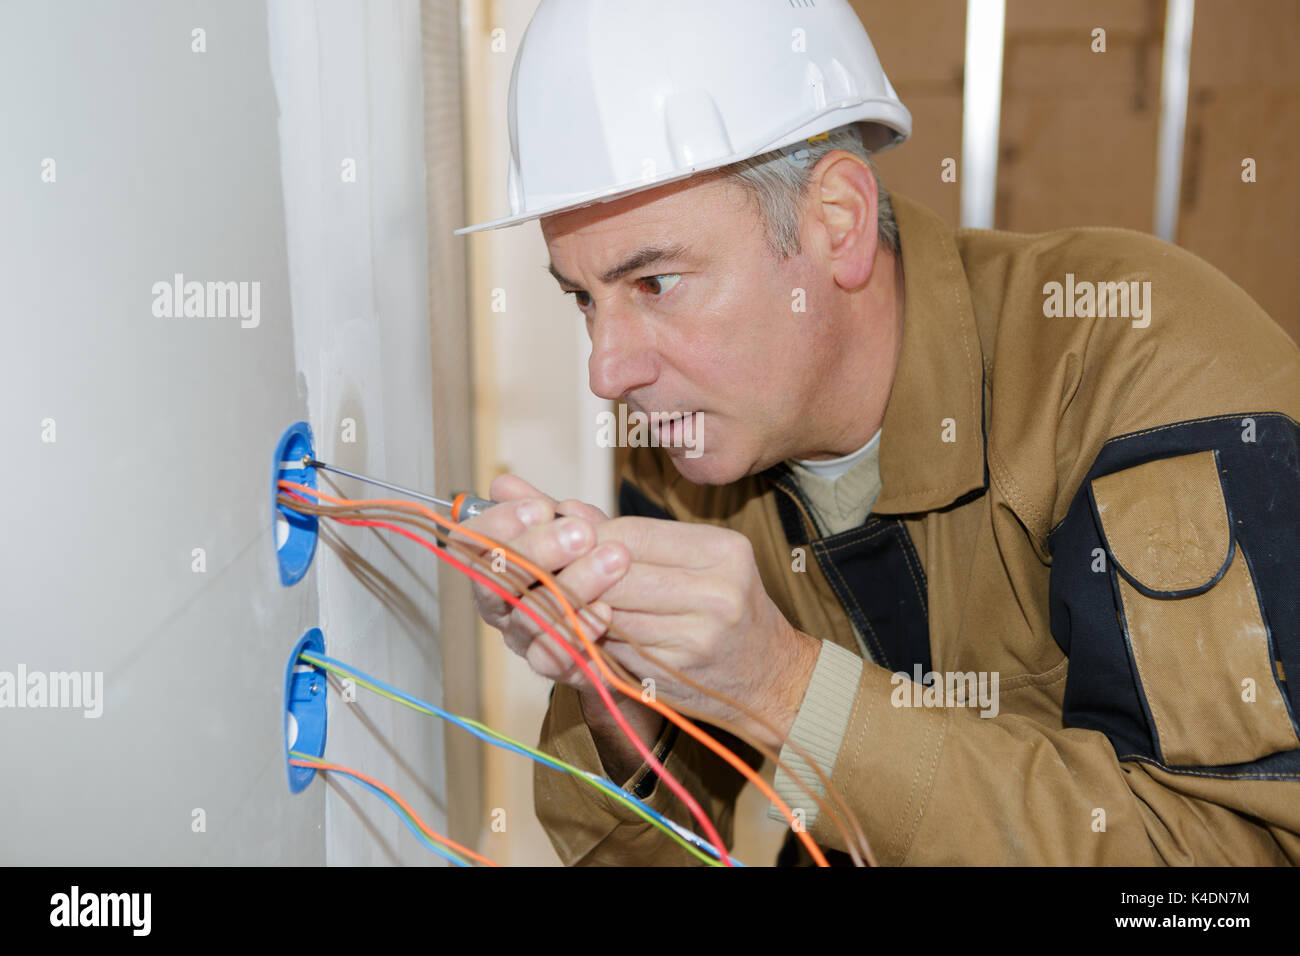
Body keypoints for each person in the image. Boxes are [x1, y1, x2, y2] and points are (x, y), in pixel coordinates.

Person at [455, 0, 1300, 865]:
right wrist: (622, 691)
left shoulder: (1138, 365)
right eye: (583, 298)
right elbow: (667, 852)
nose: (607, 369)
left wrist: (782, 686)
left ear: (838, 222)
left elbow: (1221, 882)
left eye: (657, 284)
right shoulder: (688, 446)